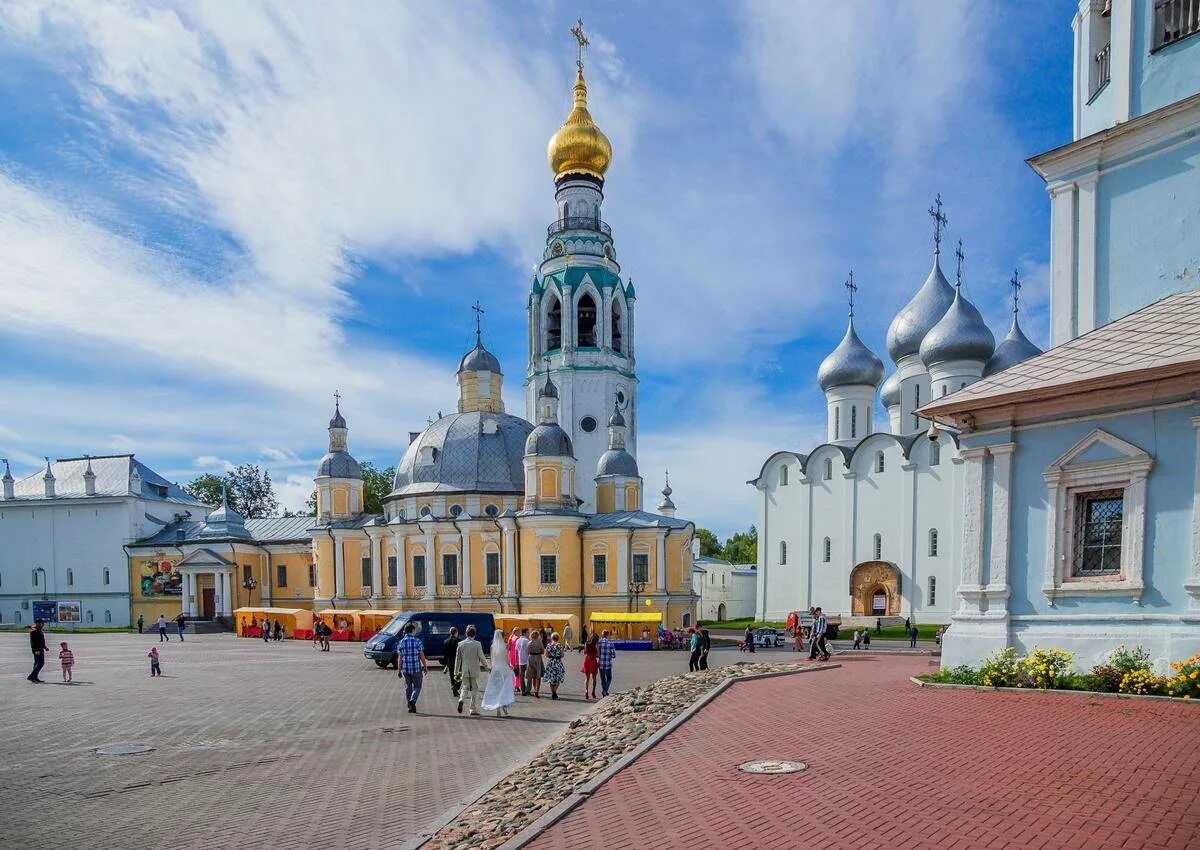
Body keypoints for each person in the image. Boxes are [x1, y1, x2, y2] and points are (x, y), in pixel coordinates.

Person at [481, 630, 516, 718]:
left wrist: (492, 668)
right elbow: (507, 658)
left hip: (496, 669)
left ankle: (498, 708)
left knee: (497, 688)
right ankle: (504, 705)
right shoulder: (505, 646)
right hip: (504, 668)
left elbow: (492, 659)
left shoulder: (492, 646)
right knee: (505, 688)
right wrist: (510, 666)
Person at [456, 625, 490, 716]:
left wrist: (456, 671)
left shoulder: (460, 644)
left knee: (465, 687)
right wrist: (487, 667)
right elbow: (481, 656)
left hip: (465, 669)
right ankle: (472, 708)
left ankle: (461, 699)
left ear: (466, 634)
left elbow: (458, 659)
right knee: (475, 689)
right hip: (474, 669)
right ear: (474, 635)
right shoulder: (477, 644)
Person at [396, 622, 428, 714]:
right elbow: (421, 655)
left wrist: (399, 670)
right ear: (413, 630)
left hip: (405, 669)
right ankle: (413, 700)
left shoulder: (401, 642)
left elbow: (400, 657)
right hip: (416, 668)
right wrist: (425, 667)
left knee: (408, 688)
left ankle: (410, 707)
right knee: (417, 686)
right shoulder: (417, 641)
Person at [543, 632, 566, 699]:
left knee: (551, 678)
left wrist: (551, 655)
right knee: (558, 678)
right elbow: (562, 655)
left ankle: (553, 692)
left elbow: (546, 655)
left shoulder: (548, 645)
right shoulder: (560, 645)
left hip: (551, 662)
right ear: (558, 638)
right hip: (558, 662)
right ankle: (554, 691)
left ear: (552, 638)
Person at [442, 627, 462, 698]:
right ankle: (456, 687)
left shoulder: (446, 641)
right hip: (458, 661)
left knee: (452, 676)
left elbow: (445, 653)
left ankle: (454, 691)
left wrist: (445, 662)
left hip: (450, 661)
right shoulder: (459, 641)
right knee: (460, 676)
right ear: (456, 632)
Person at [526, 629, 545, 698]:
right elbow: (543, 652)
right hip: (538, 657)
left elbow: (527, 652)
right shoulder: (540, 642)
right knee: (538, 675)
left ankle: (534, 689)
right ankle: (537, 690)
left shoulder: (529, 643)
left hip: (531, 658)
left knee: (533, 675)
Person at [581, 632, 600, 700]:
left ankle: (586, 692)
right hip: (593, 660)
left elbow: (585, 652)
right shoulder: (596, 645)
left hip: (587, 660)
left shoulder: (586, 643)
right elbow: (598, 655)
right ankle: (593, 692)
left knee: (587, 678)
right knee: (594, 678)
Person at [597, 630, 616, 697]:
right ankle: (605, 690)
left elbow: (597, 653)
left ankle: (605, 691)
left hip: (601, 663)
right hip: (608, 664)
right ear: (608, 635)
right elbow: (614, 655)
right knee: (609, 677)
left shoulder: (599, 642)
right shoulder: (610, 643)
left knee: (603, 679)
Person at [28, 619, 47, 683]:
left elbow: (41, 640)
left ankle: (35, 677)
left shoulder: (39, 630)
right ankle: (31, 676)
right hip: (37, 649)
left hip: (40, 648)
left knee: (37, 663)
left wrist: (45, 647)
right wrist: (36, 650)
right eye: (41, 623)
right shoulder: (34, 631)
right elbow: (33, 642)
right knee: (41, 663)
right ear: (37, 623)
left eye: (43, 623)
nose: (43, 625)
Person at [516, 628, 531, 696]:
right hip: (527, 660)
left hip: (520, 660)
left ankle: (523, 690)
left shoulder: (518, 640)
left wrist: (517, 660)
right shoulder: (527, 640)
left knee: (521, 676)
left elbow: (516, 650)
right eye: (528, 632)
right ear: (524, 633)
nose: (529, 634)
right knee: (529, 676)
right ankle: (528, 690)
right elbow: (529, 651)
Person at [507, 627, 521, 692]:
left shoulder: (511, 637)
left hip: (510, 655)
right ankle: (517, 685)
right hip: (515, 655)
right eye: (519, 631)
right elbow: (517, 649)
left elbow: (508, 647)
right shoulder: (517, 638)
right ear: (516, 632)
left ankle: (512, 684)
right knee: (517, 672)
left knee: (512, 671)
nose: (520, 633)